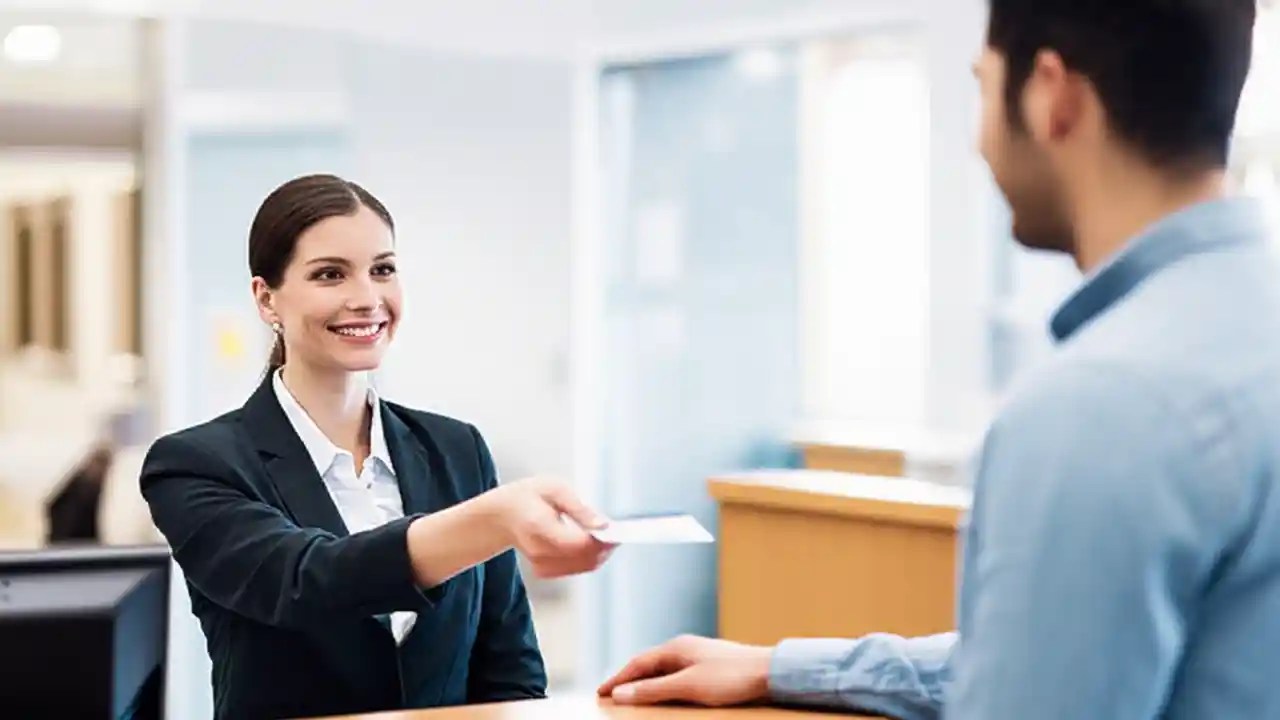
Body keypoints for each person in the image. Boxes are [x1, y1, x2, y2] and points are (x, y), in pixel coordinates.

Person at [600, 1, 1279, 718]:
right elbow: (1063, 651)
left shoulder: (1103, 407)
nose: (979, 142)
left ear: (1054, 95)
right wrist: (783, 666)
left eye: (982, 88)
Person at [141, 173, 615, 720]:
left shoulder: (457, 449)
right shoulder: (195, 465)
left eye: (382, 270)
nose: (366, 299)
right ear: (266, 299)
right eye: (330, 275)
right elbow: (302, 581)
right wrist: (492, 521)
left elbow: (510, 673)